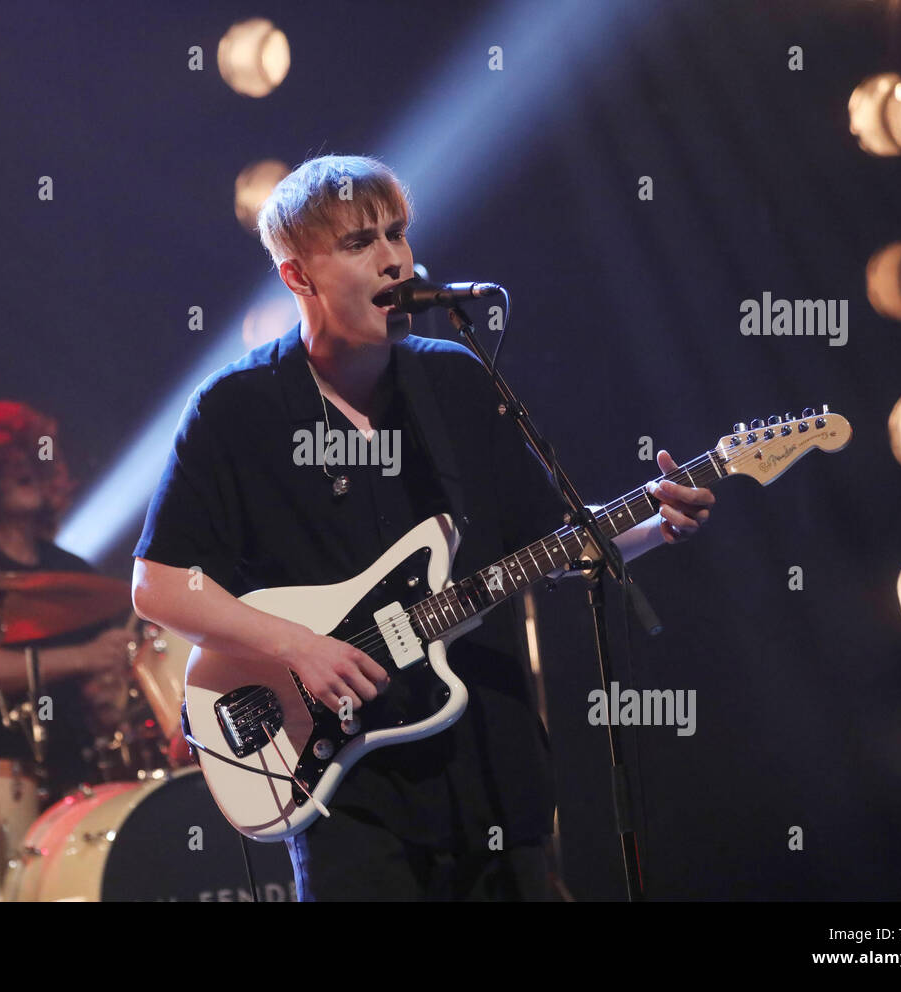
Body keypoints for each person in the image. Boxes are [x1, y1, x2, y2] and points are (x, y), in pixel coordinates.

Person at [131, 155, 715, 901]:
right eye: (358, 242)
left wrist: (653, 523)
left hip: (494, 773)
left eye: (397, 233)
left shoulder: (459, 380)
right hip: (350, 796)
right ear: (297, 277)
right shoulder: (235, 409)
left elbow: (553, 539)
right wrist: (298, 648)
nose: (393, 258)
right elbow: (159, 586)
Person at [0, 400, 137, 797]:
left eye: (34, 458)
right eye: (8, 459)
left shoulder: (73, 572)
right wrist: (84, 657)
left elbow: (108, 694)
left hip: (79, 777)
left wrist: (110, 692)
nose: (25, 469)